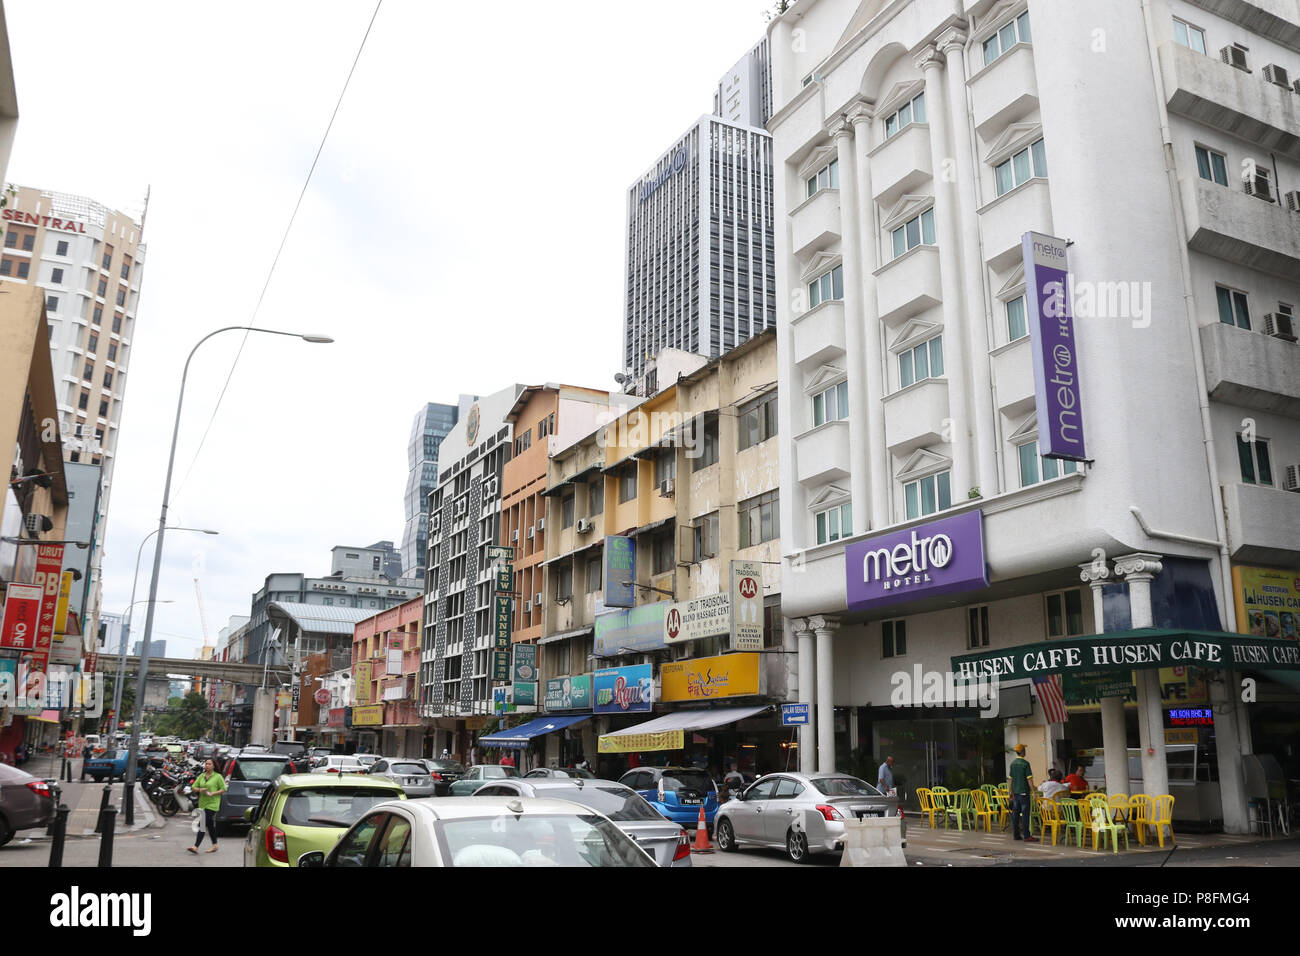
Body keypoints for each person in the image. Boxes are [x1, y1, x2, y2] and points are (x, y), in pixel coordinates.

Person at [188, 758, 227, 855]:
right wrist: (200, 790)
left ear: (214, 766)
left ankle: (195, 847)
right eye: (206, 764)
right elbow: (193, 787)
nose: (207, 765)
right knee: (210, 825)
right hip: (203, 803)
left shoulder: (218, 777)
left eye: (209, 764)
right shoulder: (201, 776)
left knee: (202, 823)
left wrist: (213, 793)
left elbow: (224, 789)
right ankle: (215, 845)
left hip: (213, 804)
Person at [1008, 744, 1038, 842]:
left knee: (1015, 814)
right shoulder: (1025, 764)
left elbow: (1011, 779)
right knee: (1025, 814)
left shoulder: (1012, 764)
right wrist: (1033, 792)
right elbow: (1029, 779)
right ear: (1022, 752)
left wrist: (1010, 791)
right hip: (1024, 793)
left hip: (1016, 793)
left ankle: (1016, 835)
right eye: (1024, 750)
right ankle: (1026, 835)